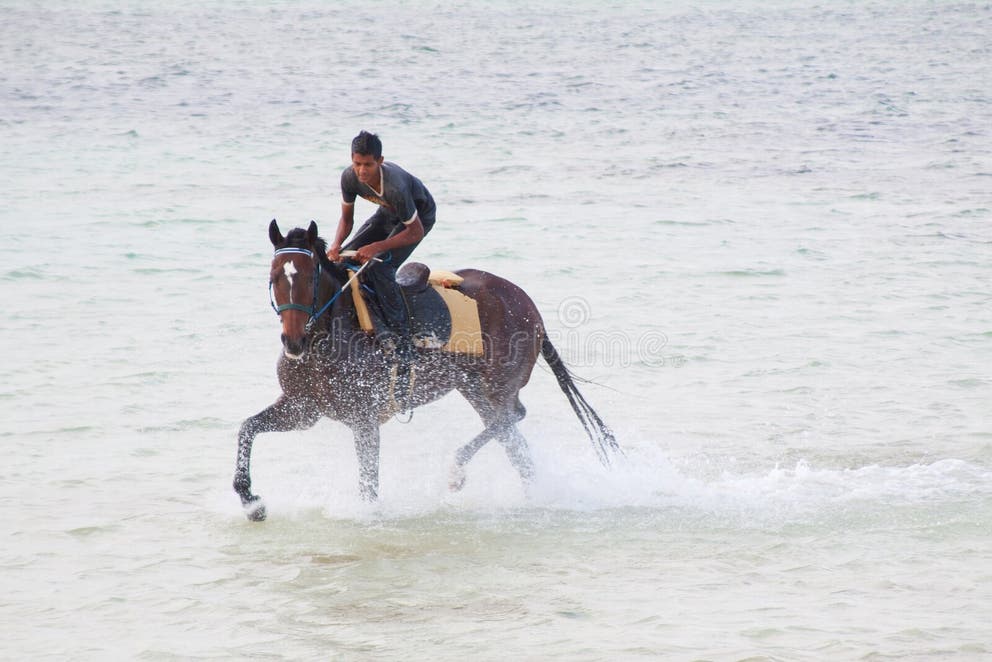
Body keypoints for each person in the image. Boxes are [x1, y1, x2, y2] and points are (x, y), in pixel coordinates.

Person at [326, 131, 436, 403]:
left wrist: (377, 248)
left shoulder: (395, 186)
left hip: (417, 220)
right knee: (347, 260)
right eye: (357, 164)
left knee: (379, 268)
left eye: (368, 165)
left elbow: (415, 232)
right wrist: (336, 245)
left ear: (380, 161)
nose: (361, 171)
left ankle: (402, 346)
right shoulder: (349, 178)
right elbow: (346, 220)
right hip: (387, 214)